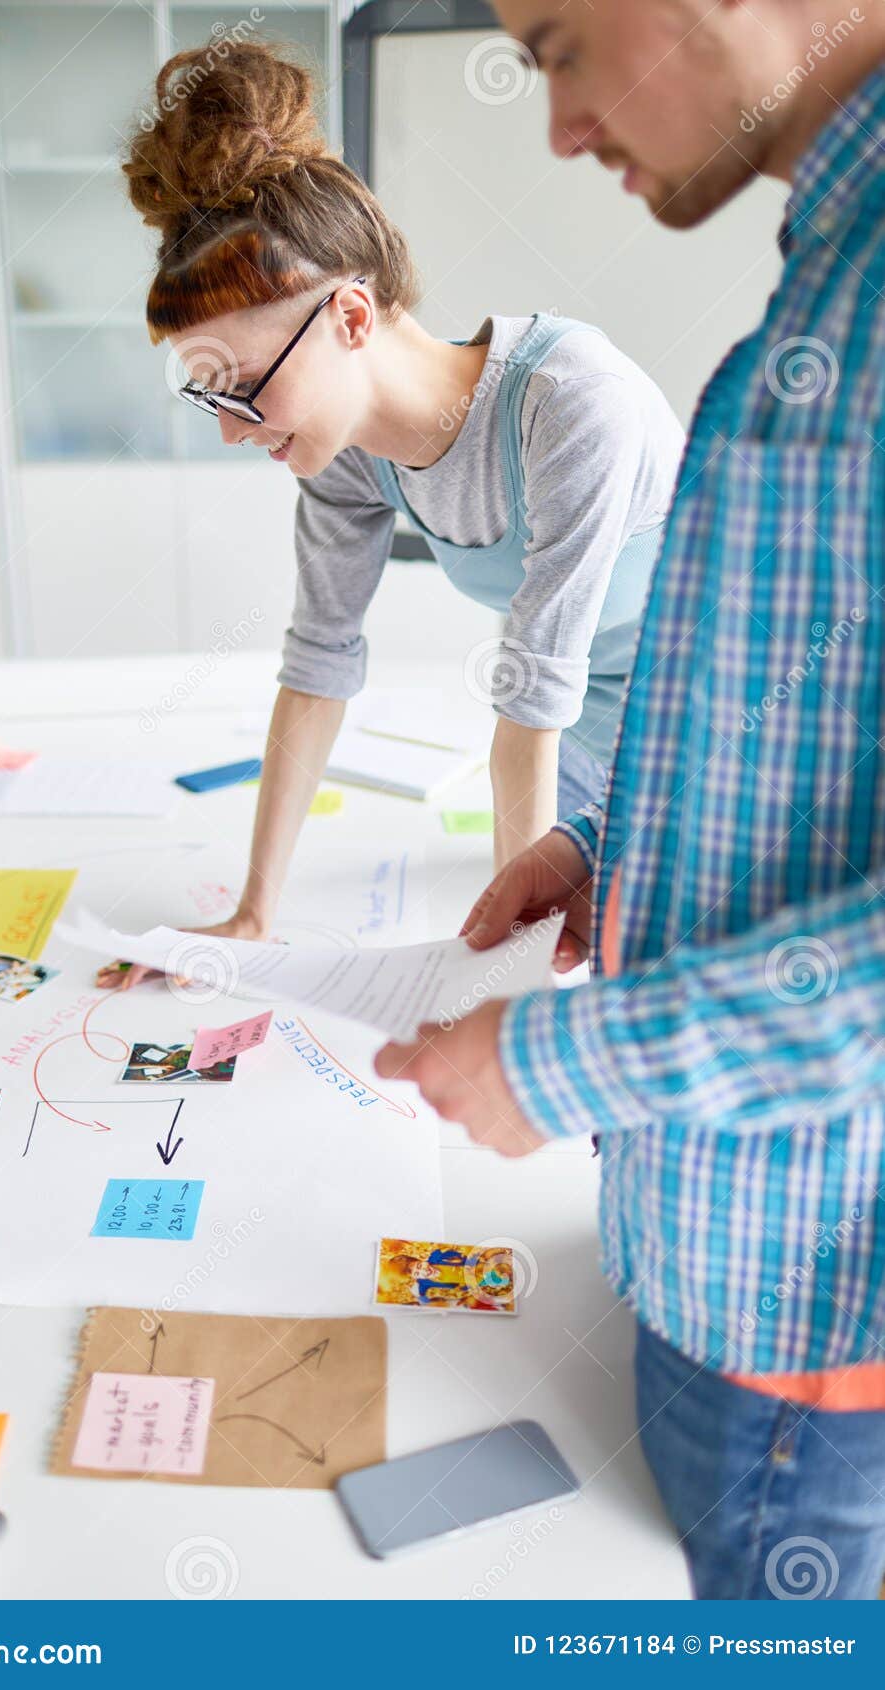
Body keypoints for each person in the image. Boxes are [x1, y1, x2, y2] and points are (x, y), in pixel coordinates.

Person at [377, 0, 885, 1600]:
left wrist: (559, 1057)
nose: (556, 130)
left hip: (801, 1327)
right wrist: (609, 844)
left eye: (556, 47)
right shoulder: (830, 269)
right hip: (696, 1245)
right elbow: (806, 720)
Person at [98, 40, 683, 989]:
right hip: (589, 751)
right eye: (211, 399)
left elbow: (529, 701)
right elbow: (320, 664)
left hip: (740, 722)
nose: (233, 432)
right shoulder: (348, 459)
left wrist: (505, 979)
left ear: (352, 318)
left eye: (242, 388)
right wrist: (253, 914)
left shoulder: (573, 402)